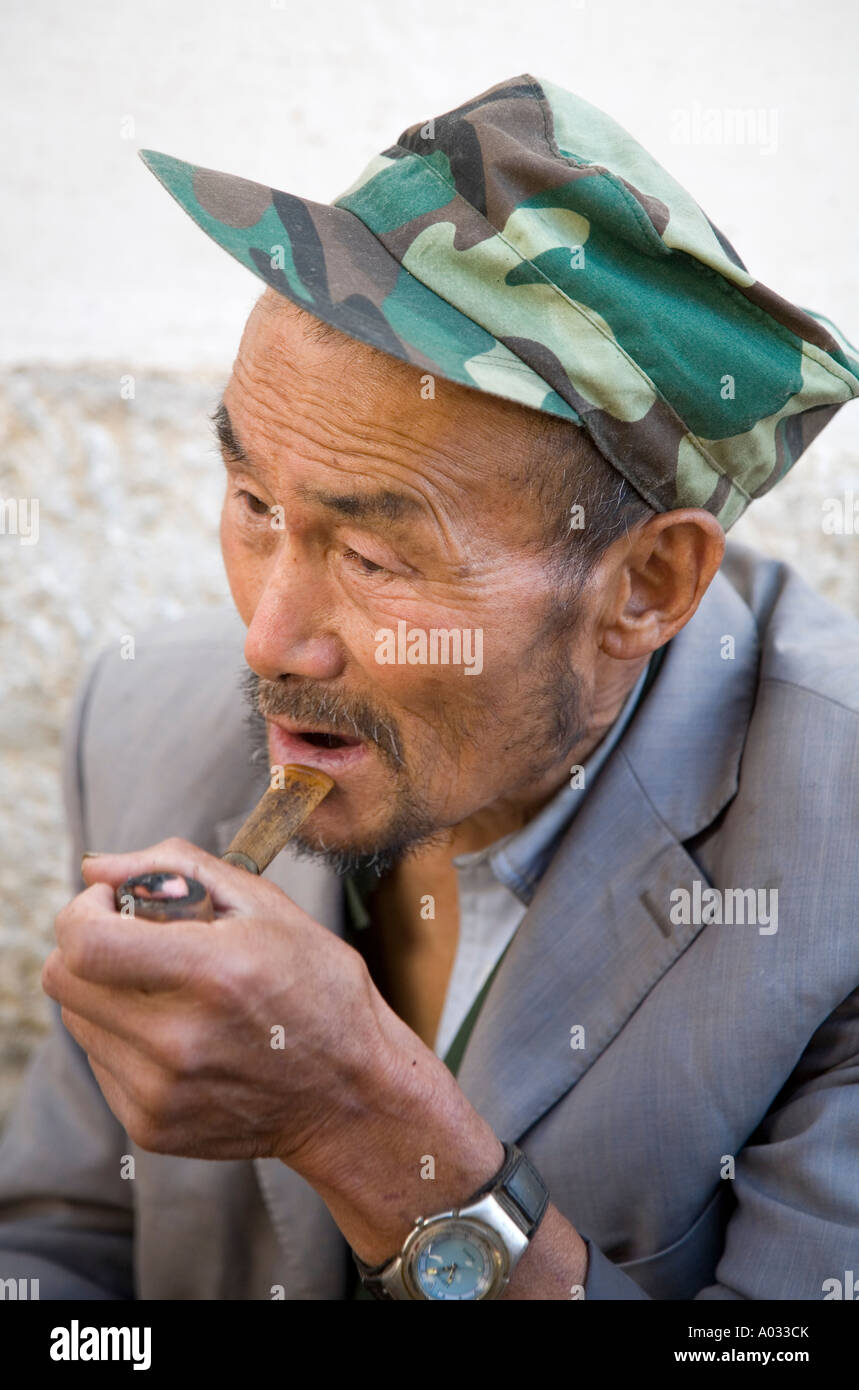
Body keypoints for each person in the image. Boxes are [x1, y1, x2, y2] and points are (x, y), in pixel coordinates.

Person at [1, 73, 857, 1301]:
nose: (271, 642)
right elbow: (61, 1247)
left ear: (647, 587)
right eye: (253, 505)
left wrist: (373, 1132)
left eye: (372, 555)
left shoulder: (834, 863)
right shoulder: (145, 729)